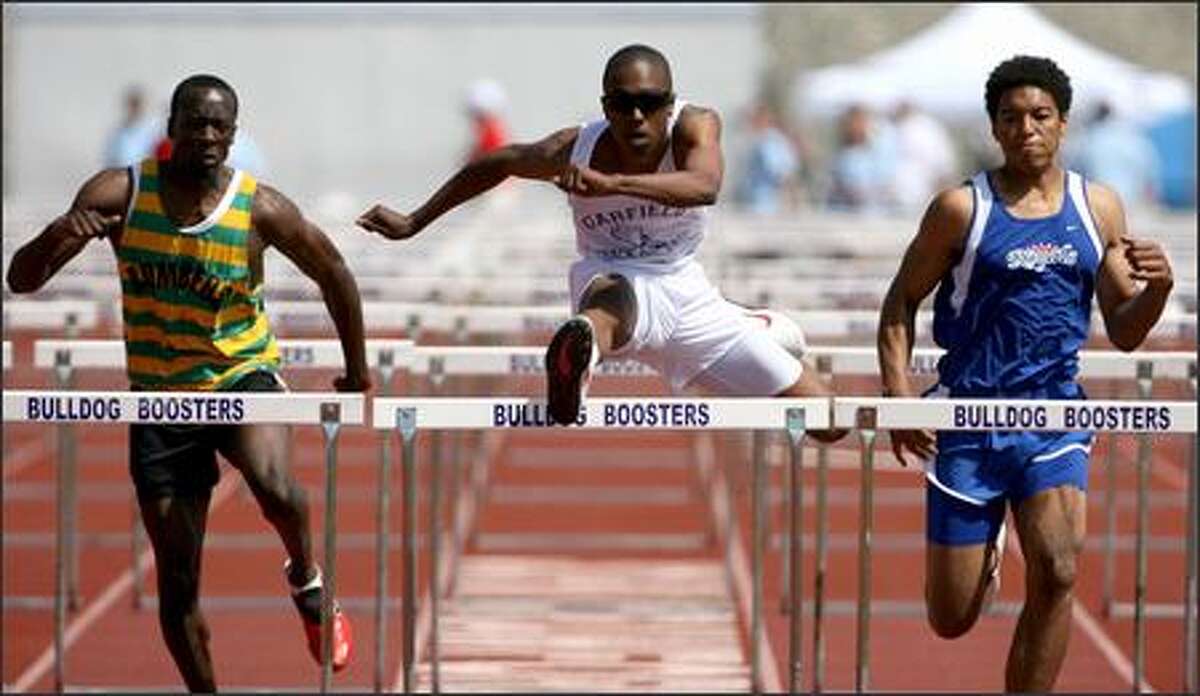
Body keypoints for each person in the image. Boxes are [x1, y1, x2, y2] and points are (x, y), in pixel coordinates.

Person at [7, 74, 370, 691]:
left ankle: (308, 582)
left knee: (275, 485)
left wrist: (357, 371)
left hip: (241, 375)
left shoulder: (260, 208)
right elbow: (22, 279)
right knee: (177, 586)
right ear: (170, 126)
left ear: (233, 135)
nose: (205, 135)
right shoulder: (120, 193)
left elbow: (333, 269)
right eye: (194, 122)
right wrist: (62, 233)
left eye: (218, 126)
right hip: (160, 396)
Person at [357, 44, 842, 441]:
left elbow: (705, 185)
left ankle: (752, 325)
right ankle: (579, 356)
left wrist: (612, 185)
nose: (636, 116)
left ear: (670, 104)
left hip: (689, 295)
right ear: (606, 106)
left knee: (828, 422)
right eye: (622, 104)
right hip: (612, 276)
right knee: (612, 302)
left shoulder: (696, 126)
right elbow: (500, 161)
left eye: (650, 103)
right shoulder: (576, 148)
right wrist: (415, 220)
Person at [877, 55, 1174, 691]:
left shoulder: (1098, 207)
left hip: (1053, 415)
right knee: (950, 619)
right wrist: (899, 399)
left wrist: (1159, 289)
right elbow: (901, 300)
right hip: (968, 417)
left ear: (1063, 123)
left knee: (1059, 571)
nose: (1026, 129)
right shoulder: (960, 208)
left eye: (1040, 116)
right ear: (994, 127)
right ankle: (983, 559)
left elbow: (1125, 330)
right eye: (1011, 118)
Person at [735, 102, 799, 215]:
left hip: (764, 203)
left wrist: (789, 198)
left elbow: (779, 171)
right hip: (764, 202)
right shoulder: (777, 139)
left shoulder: (767, 141)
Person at [102, 85, 160, 168]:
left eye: (136, 105)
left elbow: (154, 155)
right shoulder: (119, 132)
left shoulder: (152, 130)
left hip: (144, 172)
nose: (134, 108)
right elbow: (110, 157)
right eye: (132, 105)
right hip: (121, 171)